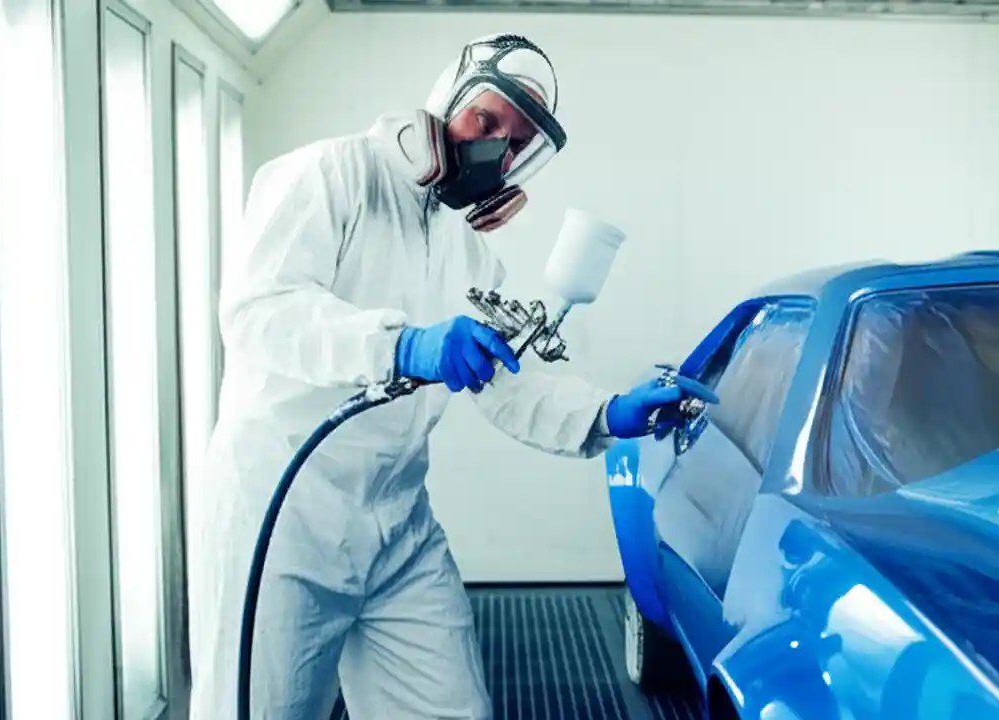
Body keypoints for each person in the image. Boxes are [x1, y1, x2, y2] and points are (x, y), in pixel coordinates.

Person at [187, 32, 713, 720]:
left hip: (398, 527)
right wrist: (400, 345)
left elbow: (507, 379)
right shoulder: (327, 175)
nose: (494, 146)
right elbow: (259, 312)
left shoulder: (463, 248)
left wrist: (607, 414)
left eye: (514, 142)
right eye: (486, 120)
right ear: (444, 103)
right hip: (283, 518)